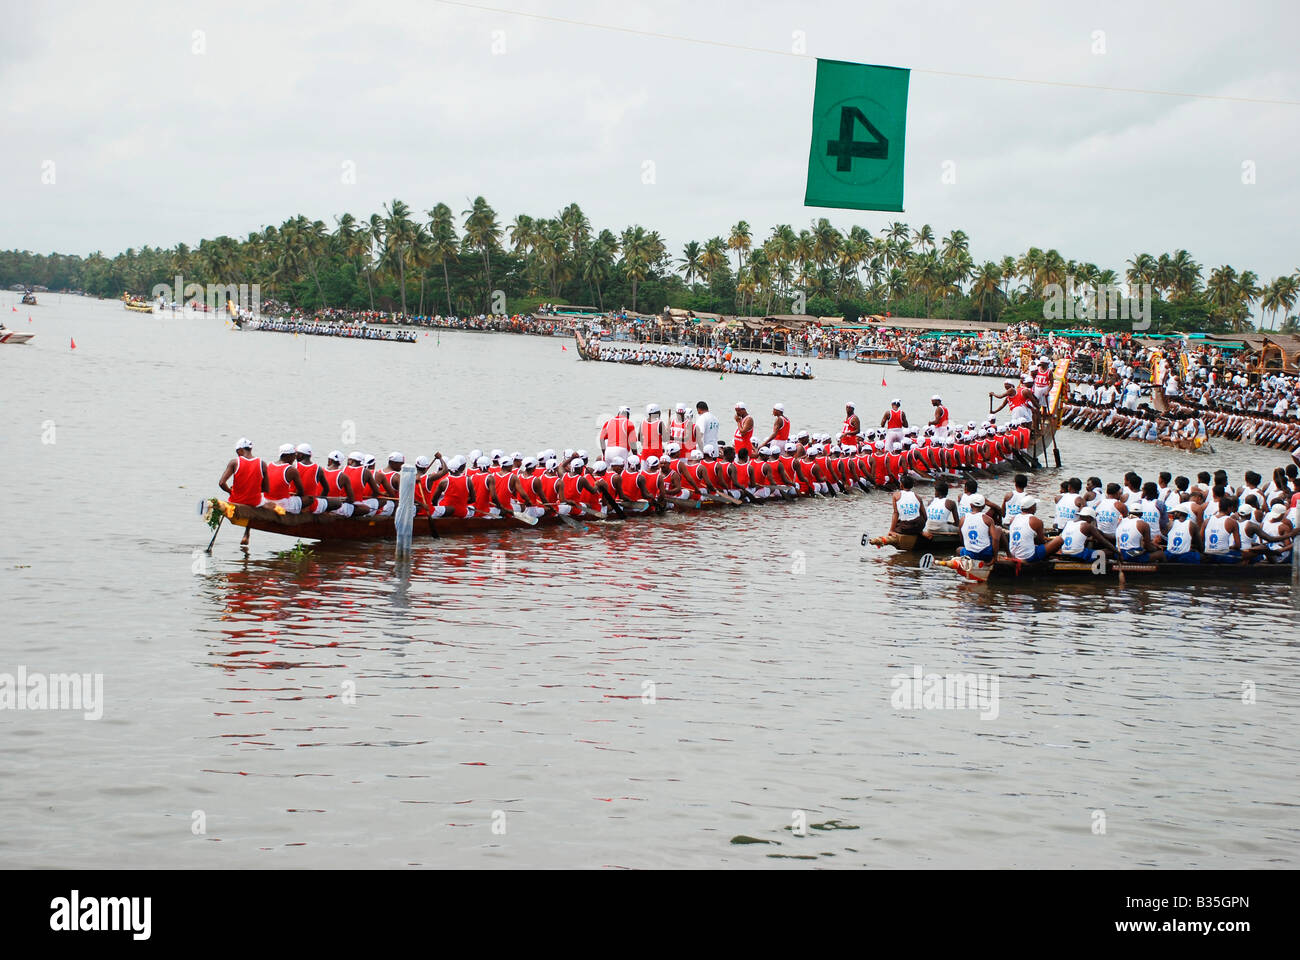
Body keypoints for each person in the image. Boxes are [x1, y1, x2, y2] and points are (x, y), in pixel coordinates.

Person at [218, 437, 264, 547]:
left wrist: (230, 491)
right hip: (253, 502)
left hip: (236, 500)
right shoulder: (261, 463)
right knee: (259, 501)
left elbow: (221, 483)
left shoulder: (234, 462)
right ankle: (247, 533)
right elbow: (265, 488)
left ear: (239, 450)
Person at [1006, 497, 1047, 562]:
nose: (1036, 508)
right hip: (1028, 557)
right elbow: (1041, 542)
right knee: (1059, 540)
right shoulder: (1036, 521)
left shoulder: (1013, 519)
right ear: (1032, 507)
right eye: (1035, 506)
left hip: (1013, 554)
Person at [959, 494, 998, 562]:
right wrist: (994, 557)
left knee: (958, 549)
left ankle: (966, 562)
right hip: (986, 554)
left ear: (971, 505)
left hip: (969, 554)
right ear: (983, 507)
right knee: (999, 529)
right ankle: (1003, 556)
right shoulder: (988, 519)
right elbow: (995, 538)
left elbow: (961, 537)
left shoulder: (962, 519)